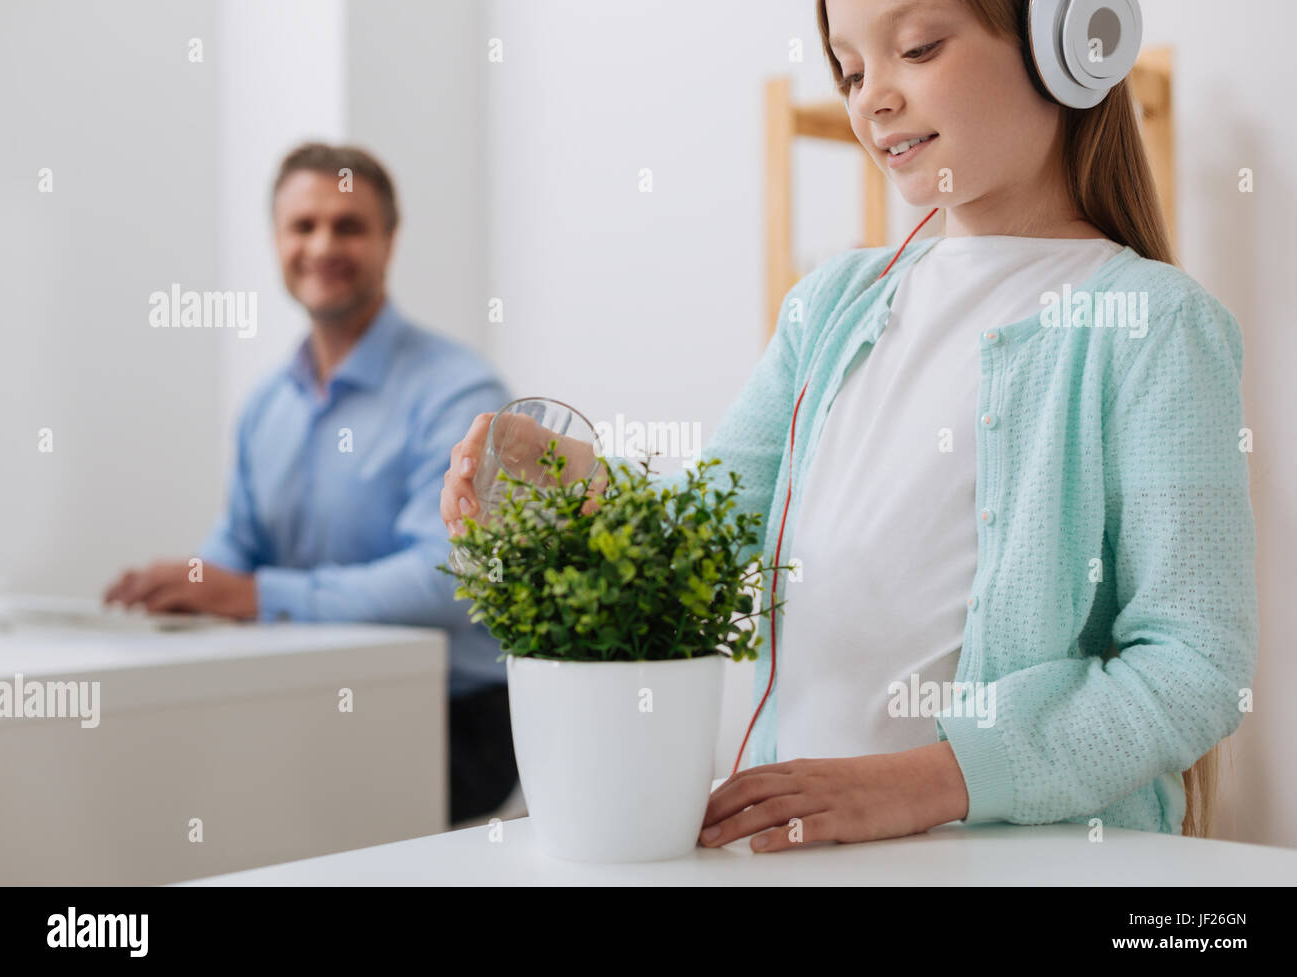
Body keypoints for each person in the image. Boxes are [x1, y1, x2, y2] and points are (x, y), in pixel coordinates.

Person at [440, 0, 1257, 850]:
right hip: (804, 857)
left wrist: (930, 781)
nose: (871, 100)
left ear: (1069, 46)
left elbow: (1194, 666)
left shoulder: (1153, 324)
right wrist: (576, 484)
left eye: (917, 49)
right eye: (852, 71)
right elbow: (709, 529)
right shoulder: (829, 307)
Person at [105, 142, 518, 825]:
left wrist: (256, 594)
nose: (323, 244)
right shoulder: (267, 406)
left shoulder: (459, 392)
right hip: (303, 700)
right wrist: (189, 587)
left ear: (389, 239)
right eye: (303, 225)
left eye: (349, 225)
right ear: (277, 241)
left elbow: (450, 576)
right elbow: (237, 548)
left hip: (451, 720)